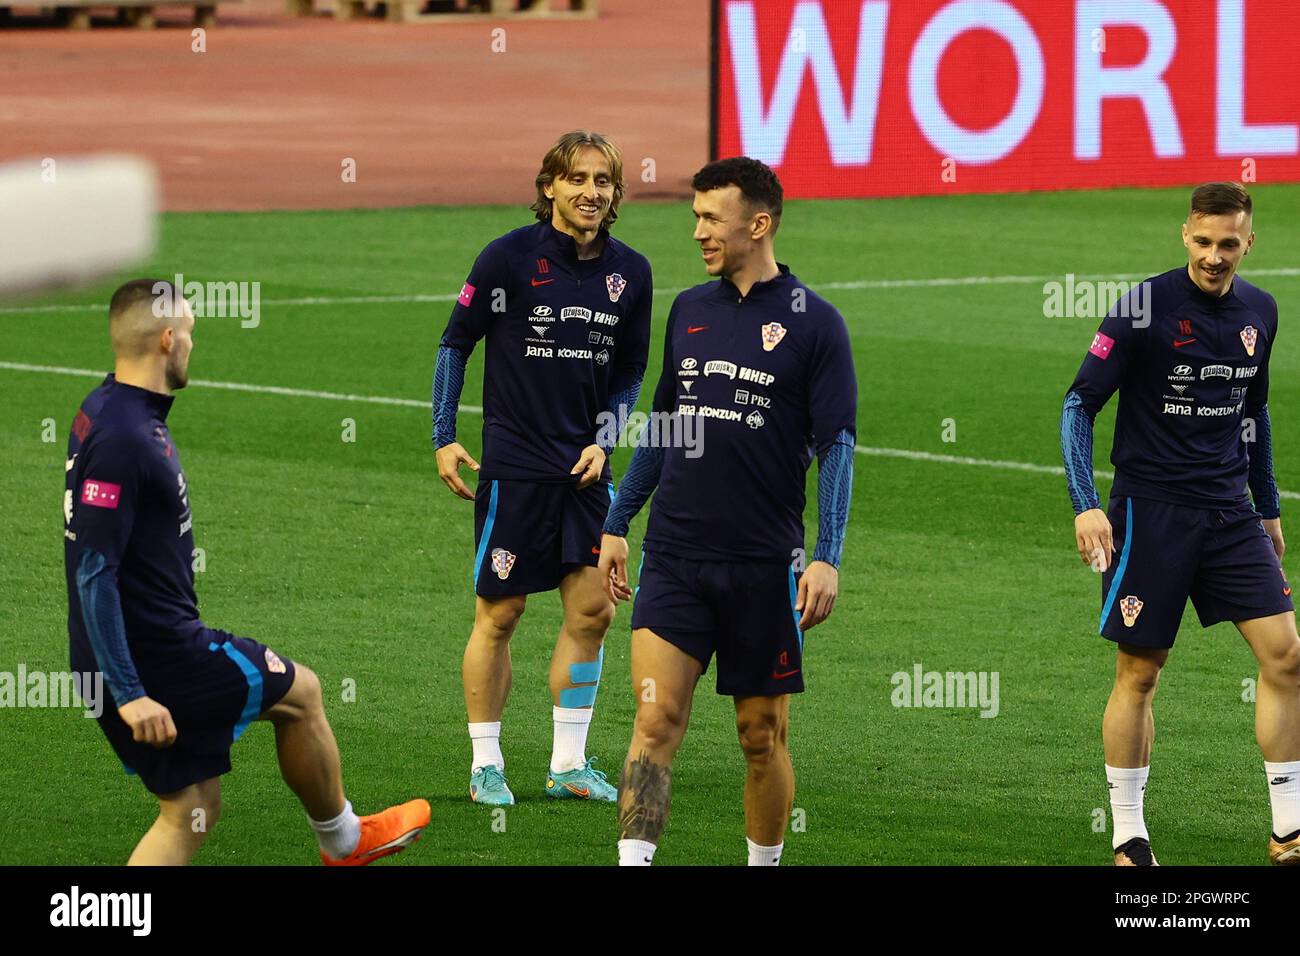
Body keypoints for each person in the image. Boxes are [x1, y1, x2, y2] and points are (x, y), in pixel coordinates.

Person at [65, 278, 429, 866]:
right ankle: (344, 840)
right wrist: (131, 693)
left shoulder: (103, 408)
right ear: (165, 339)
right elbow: (93, 570)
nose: (191, 345)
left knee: (190, 807)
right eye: (188, 333)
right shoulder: (125, 438)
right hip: (154, 655)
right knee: (301, 693)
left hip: (111, 653)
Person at [597, 157, 857, 865]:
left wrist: (828, 551)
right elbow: (664, 424)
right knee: (654, 720)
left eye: (712, 219)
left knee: (760, 736)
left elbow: (838, 446)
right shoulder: (689, 310)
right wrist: (619, 522)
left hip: (764, 566)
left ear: (759, 223)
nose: (699, 233)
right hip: (675, 556)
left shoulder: (817, 326)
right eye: (696, 218)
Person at [1061, 182, 1300, 866]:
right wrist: (1086, 502)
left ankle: (1288, 830)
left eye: (1229, 243)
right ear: (1184, 234)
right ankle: (1129, 834)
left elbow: (1254, 411)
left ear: (1249, 242)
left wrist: (1268, 505)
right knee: (1141, 671)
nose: (1215, 256)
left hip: (1229, 514)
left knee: (1286, 657)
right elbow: (1080, 404)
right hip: (1150, 512)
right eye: (1203, 241)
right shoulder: (1143, 307)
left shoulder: (1262, 310)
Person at [432, 131, 653, 805]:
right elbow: (454, 343)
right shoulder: (506, 258)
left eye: (604, 181)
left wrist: (607, 437)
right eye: (578, 178)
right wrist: (445, 434)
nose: (591, 192)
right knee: (500, 614)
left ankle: (566, 762)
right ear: (550, 185)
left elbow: (630, 370)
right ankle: (485, 764)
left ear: (617, 193)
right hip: (515, 470)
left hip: (586, 474)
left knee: (593, 613)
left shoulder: (630, 273)